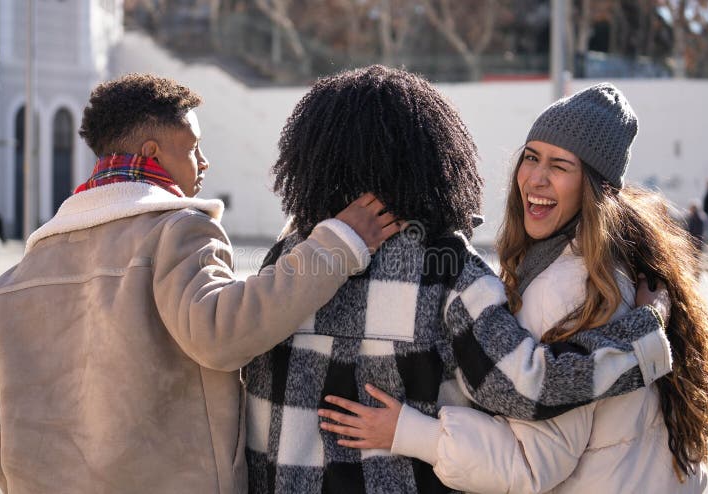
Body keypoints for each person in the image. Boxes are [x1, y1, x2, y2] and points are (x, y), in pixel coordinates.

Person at [0, 73, 401, 494]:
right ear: (152, 153)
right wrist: (338, 244)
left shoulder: (30, 265)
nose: (204, 161)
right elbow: (220, 332)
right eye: (193, 147)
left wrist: (32, 479)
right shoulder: (177, 230)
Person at [245, 67, 673, 494]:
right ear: (434, 155)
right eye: (531, 157)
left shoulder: (290, 254)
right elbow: (528, 389)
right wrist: (644, 336)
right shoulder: (447, 264)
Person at [319, 83, 708, 493]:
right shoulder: (617, 259)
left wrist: (409, 433)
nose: (536, 179)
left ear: (595, 189)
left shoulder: (567, 286)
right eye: (531, 157)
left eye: (560, 166)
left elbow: (529, 465)